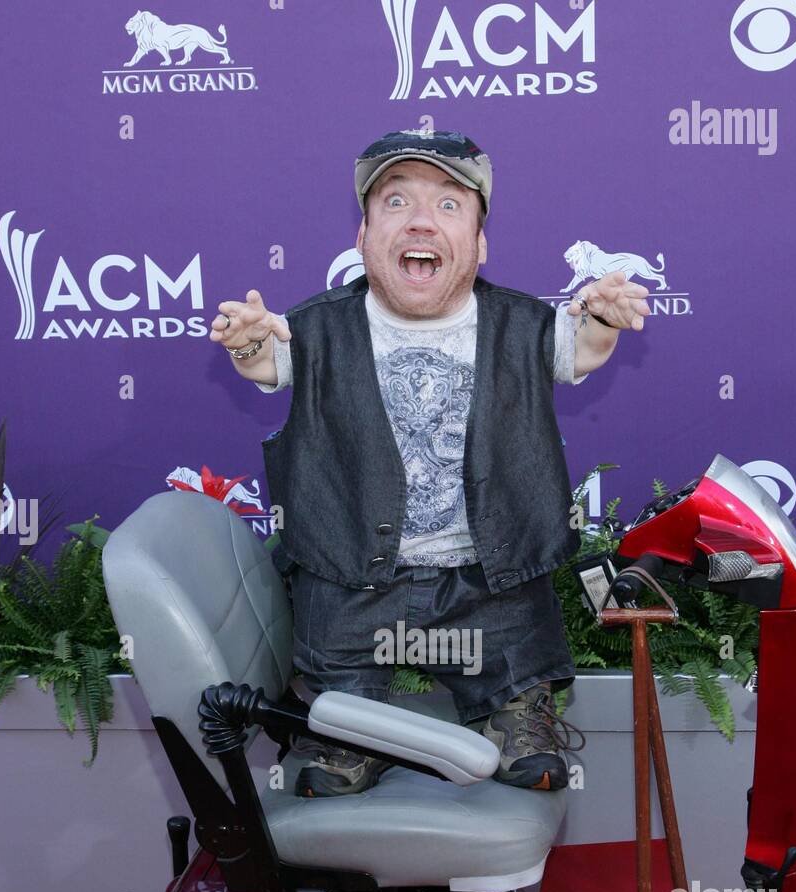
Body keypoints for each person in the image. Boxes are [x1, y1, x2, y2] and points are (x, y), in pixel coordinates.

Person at [209, 130, 650, 797]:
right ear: (362, 236)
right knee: (344, 685)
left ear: (478, 244)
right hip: (354, 574)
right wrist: (245, 347)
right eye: (394, 201)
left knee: (515, 657)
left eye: (449, 205)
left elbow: (580, 352)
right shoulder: (317, 327)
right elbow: (268, 365)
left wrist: (604, 322)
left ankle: (516, 716)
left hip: (487, 573)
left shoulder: (522, 325)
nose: (420, 218)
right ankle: (353, 735)